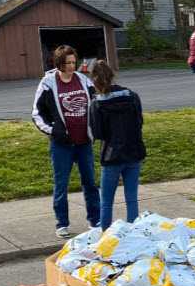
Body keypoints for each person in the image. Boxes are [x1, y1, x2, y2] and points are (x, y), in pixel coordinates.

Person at [31, 45, 101, 238]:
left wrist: (94, 130)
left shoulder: (84, 80)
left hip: (84, 143)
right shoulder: (48, 83)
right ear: (58, 63)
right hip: (62, 145)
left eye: (73, 62)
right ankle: (62, 224)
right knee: (61, 184)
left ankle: (96, 221)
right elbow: (37, 114)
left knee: (90, 183)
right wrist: (53, 131)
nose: (71, 67)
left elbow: (96, 104)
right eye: (67, 63)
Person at [90, 60, 146, 230]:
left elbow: (98, 133)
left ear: (94, 80)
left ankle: (106, 235)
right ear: (112, 75)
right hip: (134, 151)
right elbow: (139, 122)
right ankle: (133, 233)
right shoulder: (132, 95)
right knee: (131, 198)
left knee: (106, 201)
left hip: (111, 154)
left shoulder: (97, 103)